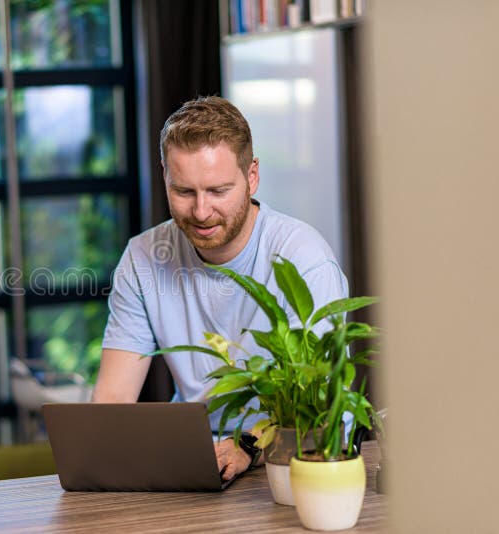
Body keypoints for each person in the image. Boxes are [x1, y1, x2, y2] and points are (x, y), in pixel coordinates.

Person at [91, 96, 348, 481]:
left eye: (217, 191)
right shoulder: (143, 256)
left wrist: (244, 446)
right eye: (184, 192)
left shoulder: (303, 258)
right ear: (164, 175)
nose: (201, 211)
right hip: (198, 461)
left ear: (252, 176)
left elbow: (314, 407)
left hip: (301, 459)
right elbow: (112, 400)